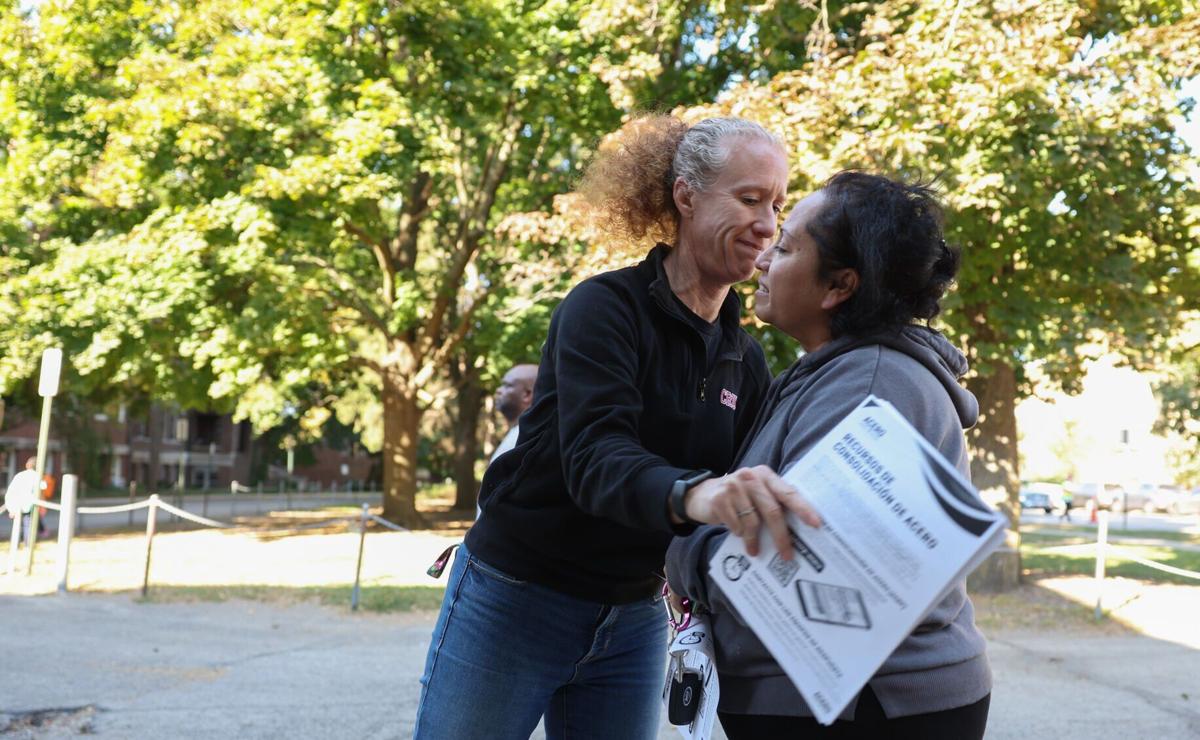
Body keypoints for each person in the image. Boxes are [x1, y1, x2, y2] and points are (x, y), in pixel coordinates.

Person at [413, 115, 820, 740]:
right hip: (516, 596)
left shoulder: (747, 357)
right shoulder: (603, 309)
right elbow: (596, 459)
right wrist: (700, 494)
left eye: (776, 204)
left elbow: (762, 482)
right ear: (686, 196)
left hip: (633, 618)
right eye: (748, 199)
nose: (768, 224)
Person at [667, 171, 992, 739]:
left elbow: (788, 557)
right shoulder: (832, 370)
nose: (764, 257)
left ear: (838, 286)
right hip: (832, 697)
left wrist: (679, 556)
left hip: (871, 705)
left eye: (788, 246)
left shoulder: (869, 381)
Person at [479, 363, 538, 518]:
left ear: (527, 394)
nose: (499, 390)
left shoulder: (525, 441)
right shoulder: (516, 434)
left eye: (507, 385)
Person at [4, 457, 42, 546]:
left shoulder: (19, 475)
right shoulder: (36, 476)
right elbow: (42, 488)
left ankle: (15, 544)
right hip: (28, 505)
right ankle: (27, 545)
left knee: (16, 526)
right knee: (27, 526)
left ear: (27, 465)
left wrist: (10, 507)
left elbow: (10, 491)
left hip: (16, 505)